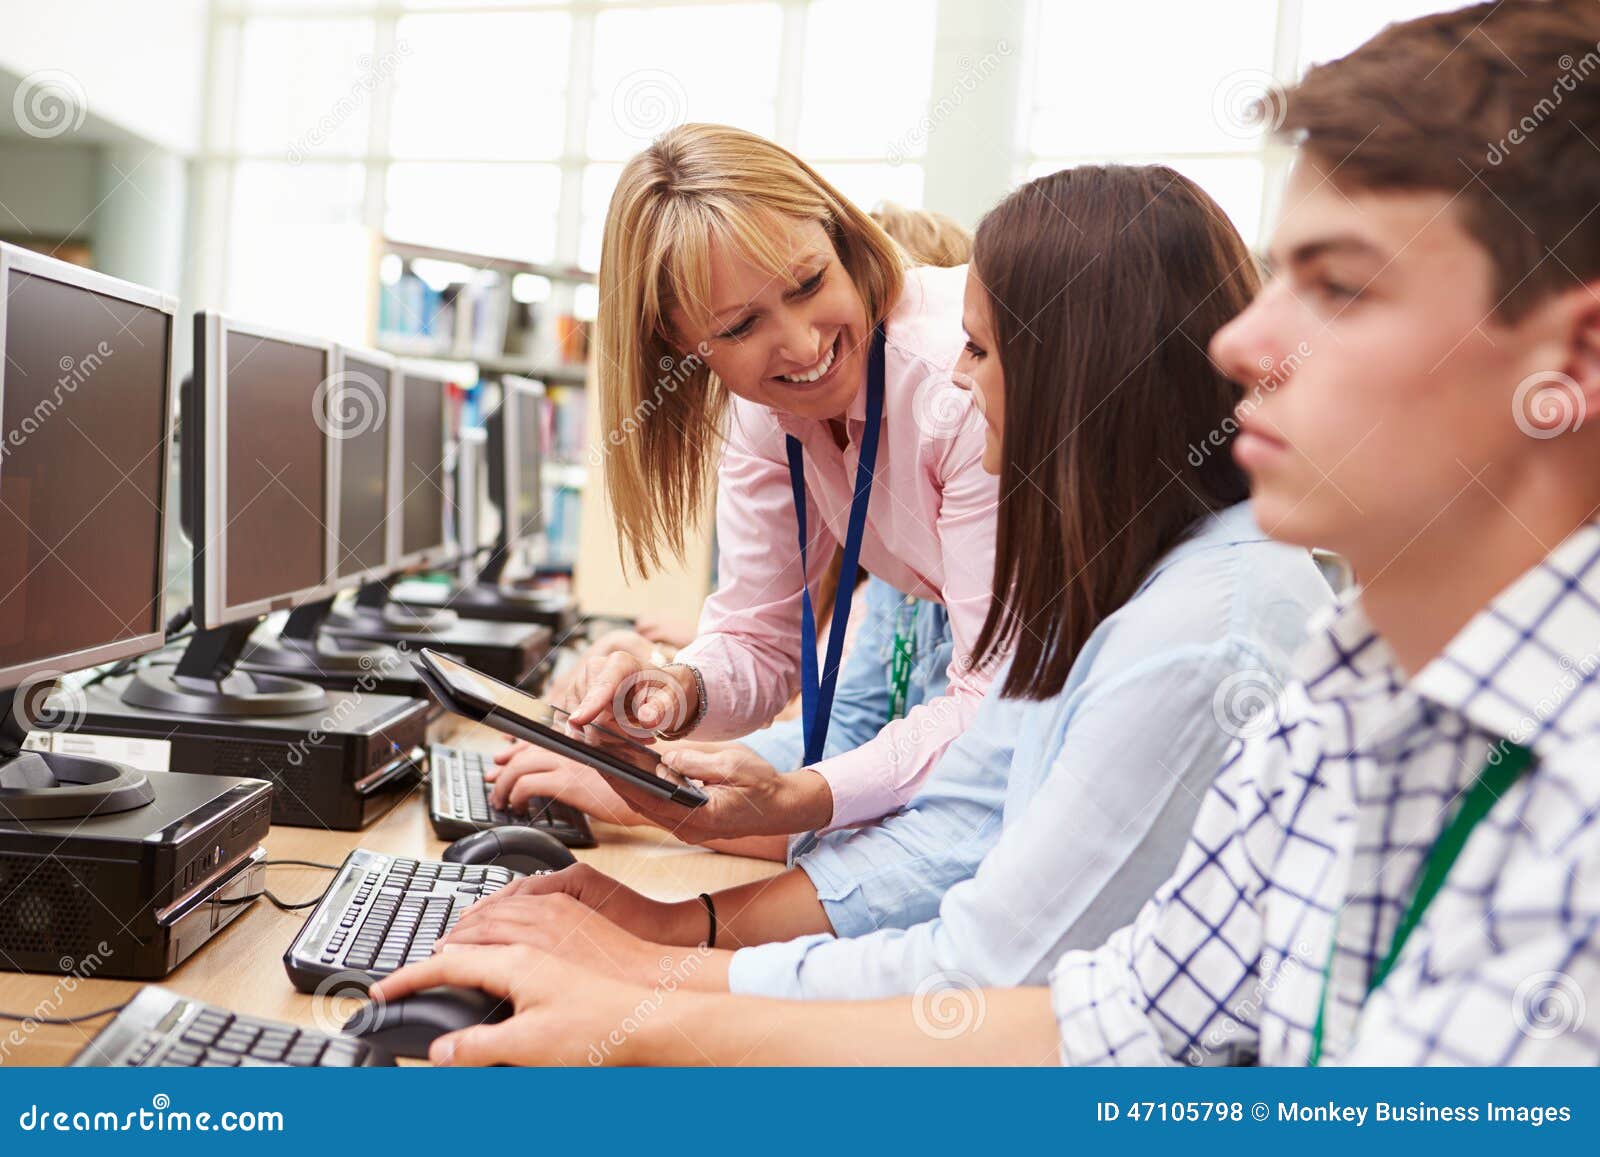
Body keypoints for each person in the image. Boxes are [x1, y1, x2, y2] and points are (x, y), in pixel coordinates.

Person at [376, 0, 1600, 1066]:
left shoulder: (1220, 629)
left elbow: (995, 952)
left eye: (1338, 286)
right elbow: (1111, 1005)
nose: (1240, 342)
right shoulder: (1338, 689)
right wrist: (659, 884)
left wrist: (662, 975)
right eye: (737, 329)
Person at [370, 161, 1334, 1058]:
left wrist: (656, 982)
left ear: (1073, 372)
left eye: (979, 347)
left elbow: (979, 976)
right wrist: (666, 926)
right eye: (739, 327)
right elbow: (966, 822)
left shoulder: (1194, 638)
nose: (955, 377)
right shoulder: (1113, 596)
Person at [552, 123, 1000, 842]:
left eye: (809, 283)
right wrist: (674, 689)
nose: (802, 344)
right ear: (680, 345)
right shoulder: (765, 413)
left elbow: (993, 705)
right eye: (739, 328)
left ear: (842, 239)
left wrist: (799, 800)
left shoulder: (957, 382)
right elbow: (760, 638)